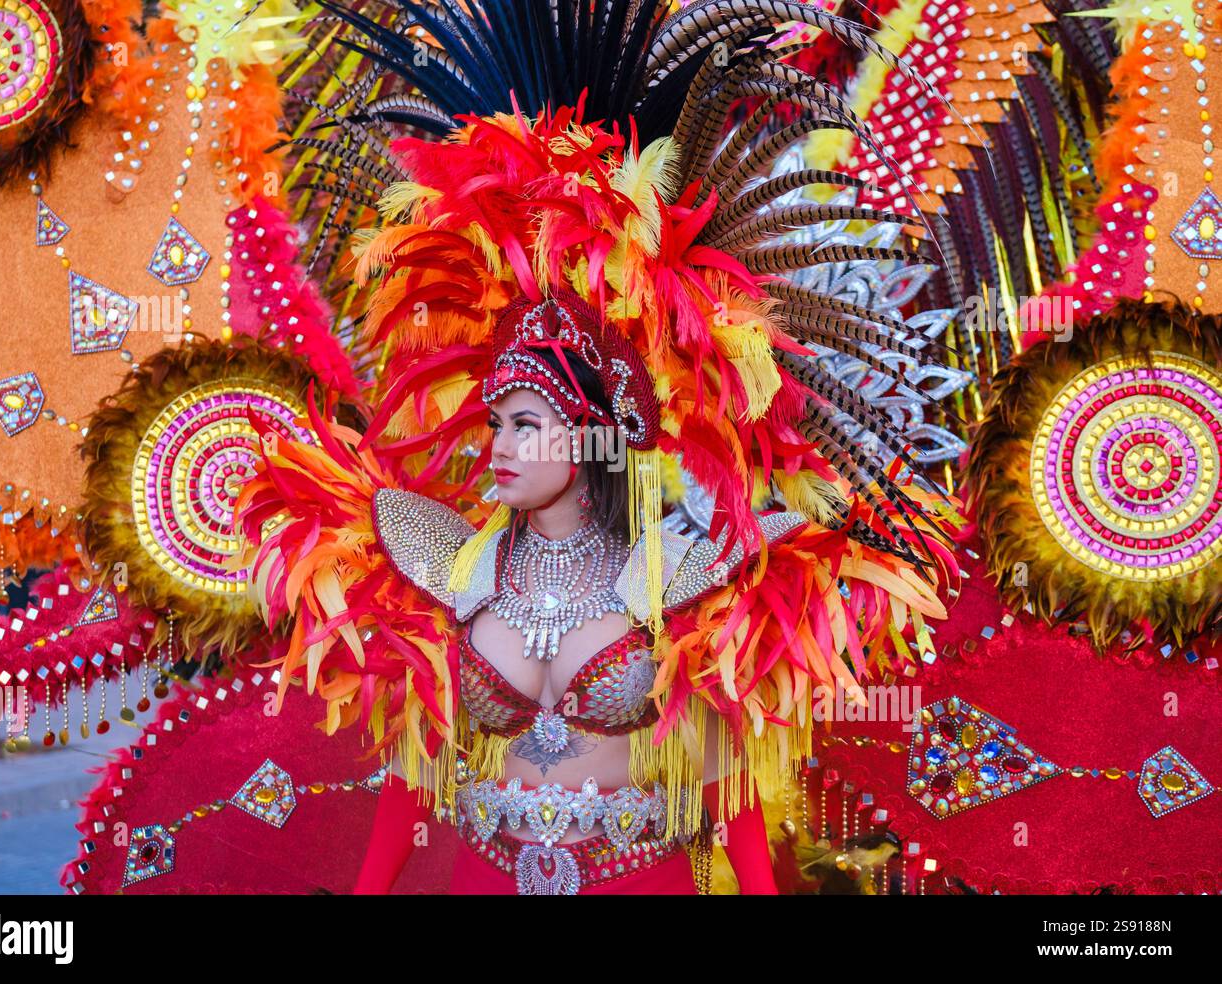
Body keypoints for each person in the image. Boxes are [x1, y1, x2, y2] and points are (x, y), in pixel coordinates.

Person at [234, 0, 957, 895]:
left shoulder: (676, 576)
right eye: (496, 422)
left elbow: (726, 786)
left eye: (525, 425)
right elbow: (413, 774)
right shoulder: (449, 565)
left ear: (586, 438)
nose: (499, 445)